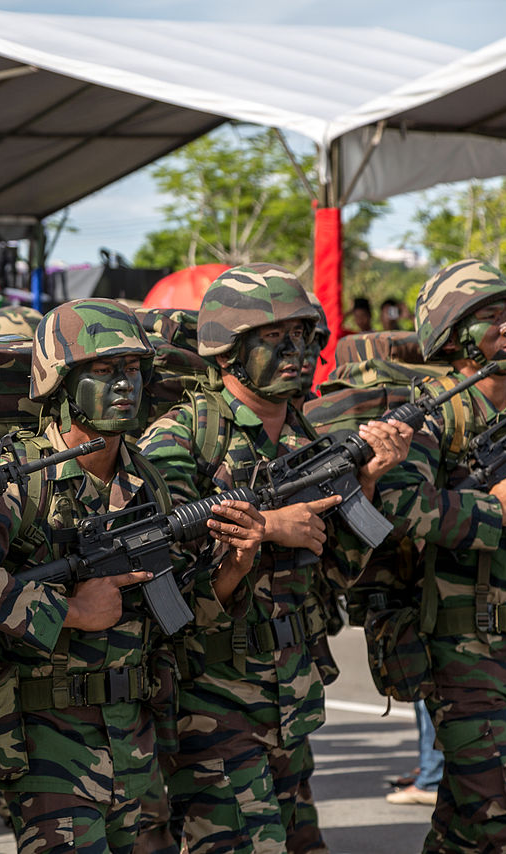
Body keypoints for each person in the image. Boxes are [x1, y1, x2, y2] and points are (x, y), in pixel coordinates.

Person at [0, 298, 264, 854]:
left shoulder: (147, 478)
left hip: (136, 731)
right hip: (50, 735)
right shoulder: (21, 478)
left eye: (131, 371)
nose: (124, 385)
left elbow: (178, 608)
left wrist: (233, 568)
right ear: (58, 382)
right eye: (101, 370)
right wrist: (71, 611)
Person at [138, 264, 412, 853]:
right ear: (228, 351)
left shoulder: (304, 437)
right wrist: (262, 530)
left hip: (291, 695)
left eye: (305, 337)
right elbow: (153, 574)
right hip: (211, 702)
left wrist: (365, 484)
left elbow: (328, 574)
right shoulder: (181, 438)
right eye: (275, 337)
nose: (297, 352)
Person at [375, 259, 506, 852]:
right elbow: (396, 504)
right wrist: (495, 511)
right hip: (465, 652)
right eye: (491, 315)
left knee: (467, 823)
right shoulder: (428, 413)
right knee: (502, 817)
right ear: (453, 331)